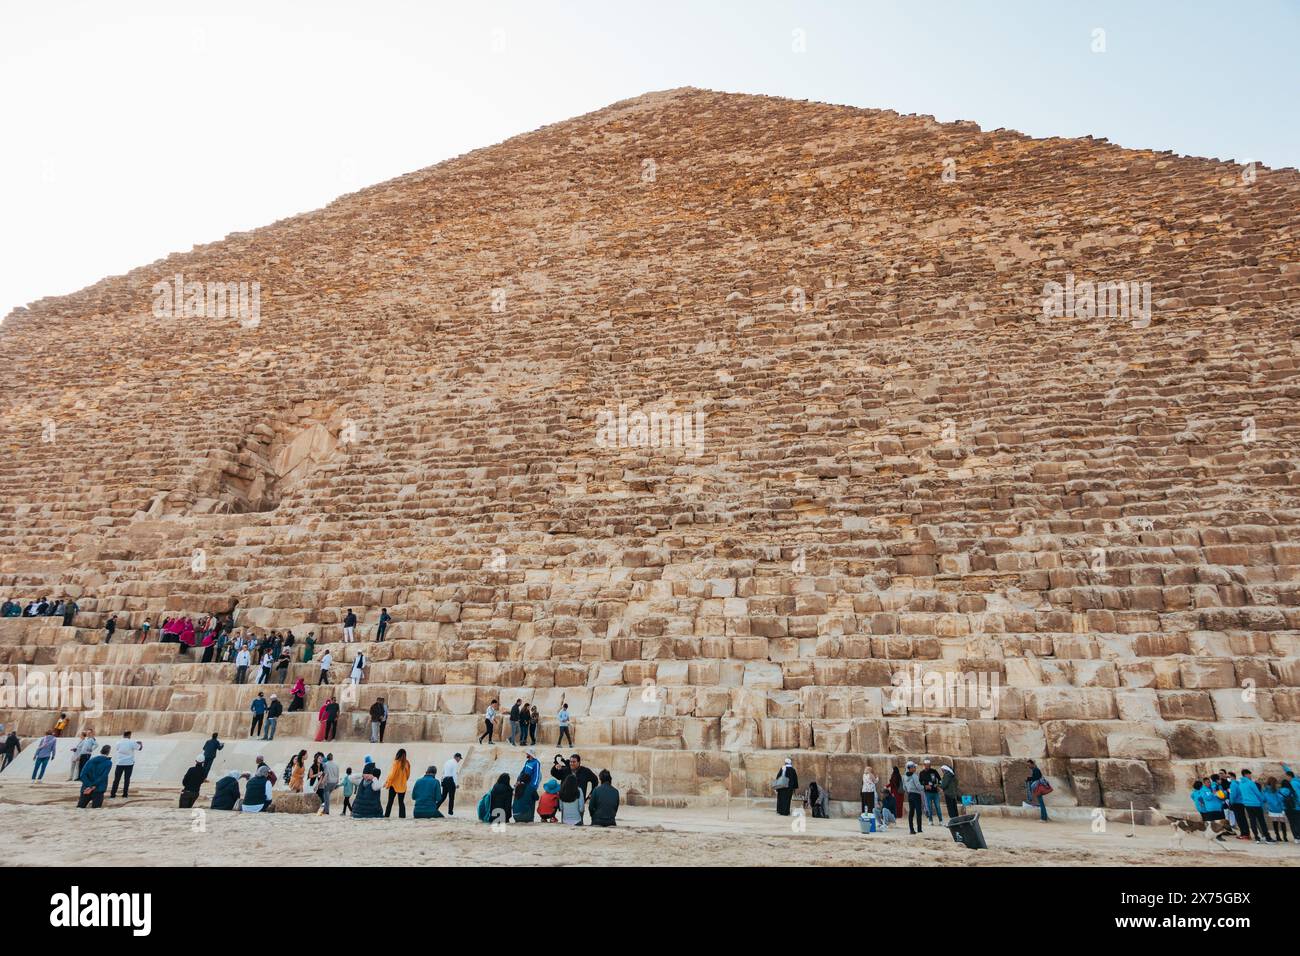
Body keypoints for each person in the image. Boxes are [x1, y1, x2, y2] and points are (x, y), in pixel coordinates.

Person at [1237, 769, 1272, 843]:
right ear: (1246, 774)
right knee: (1261, 821)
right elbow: (1257, 793)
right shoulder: (1251, 783)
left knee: (1252, 821)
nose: (1250, 776)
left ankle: (1257, 838)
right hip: (1255, 804)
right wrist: (1263, 799)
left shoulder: (1240, 784)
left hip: (1247, 805)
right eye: (1250, 774)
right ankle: (1267, 838)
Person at [567, 754, 599, 821]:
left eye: (574, 762)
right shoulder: (567, 770)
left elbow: (595, 780)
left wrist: (591, 793)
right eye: (570, 762)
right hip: (568, 801)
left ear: (578, 762)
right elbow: (555, 774)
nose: (571, 763)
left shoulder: (585, 771)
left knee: (579, 822)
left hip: (580, 801)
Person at [384, 749, 411, 818]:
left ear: (398, 754)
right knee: (401, 802)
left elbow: (392, 774)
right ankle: (402, 817)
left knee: (390, 802)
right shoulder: (407, 763)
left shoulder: (396, 762)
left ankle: (387, 816)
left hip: (394, 785)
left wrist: (388, 783)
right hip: (403, 786)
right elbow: (408, 775)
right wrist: (404, 780)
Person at [903, 760, 925, 834]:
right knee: (918, 812)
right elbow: (918, 786)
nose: (915, 768)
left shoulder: (904, 776)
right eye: (914, 767)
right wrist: (924, 787)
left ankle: (911, 829)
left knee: (911, 812)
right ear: (910, 768)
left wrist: (909, 791)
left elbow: (904, 787)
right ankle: (919, 829)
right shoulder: (914, 776)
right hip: (916, 794)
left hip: (910, 795)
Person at [919, 757, 943, 824]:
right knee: (929, 807)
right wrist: (925, 786)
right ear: (924, 765)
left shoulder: (934, 771)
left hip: (935, 792)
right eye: (926, 765)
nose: (928, 766)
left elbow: (940, 780)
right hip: (927, 793)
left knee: (938, 807)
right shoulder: (921, 773)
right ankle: (930, 820)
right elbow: (920, 783)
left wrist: (938, 785)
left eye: (929, 765)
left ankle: (940, 820)